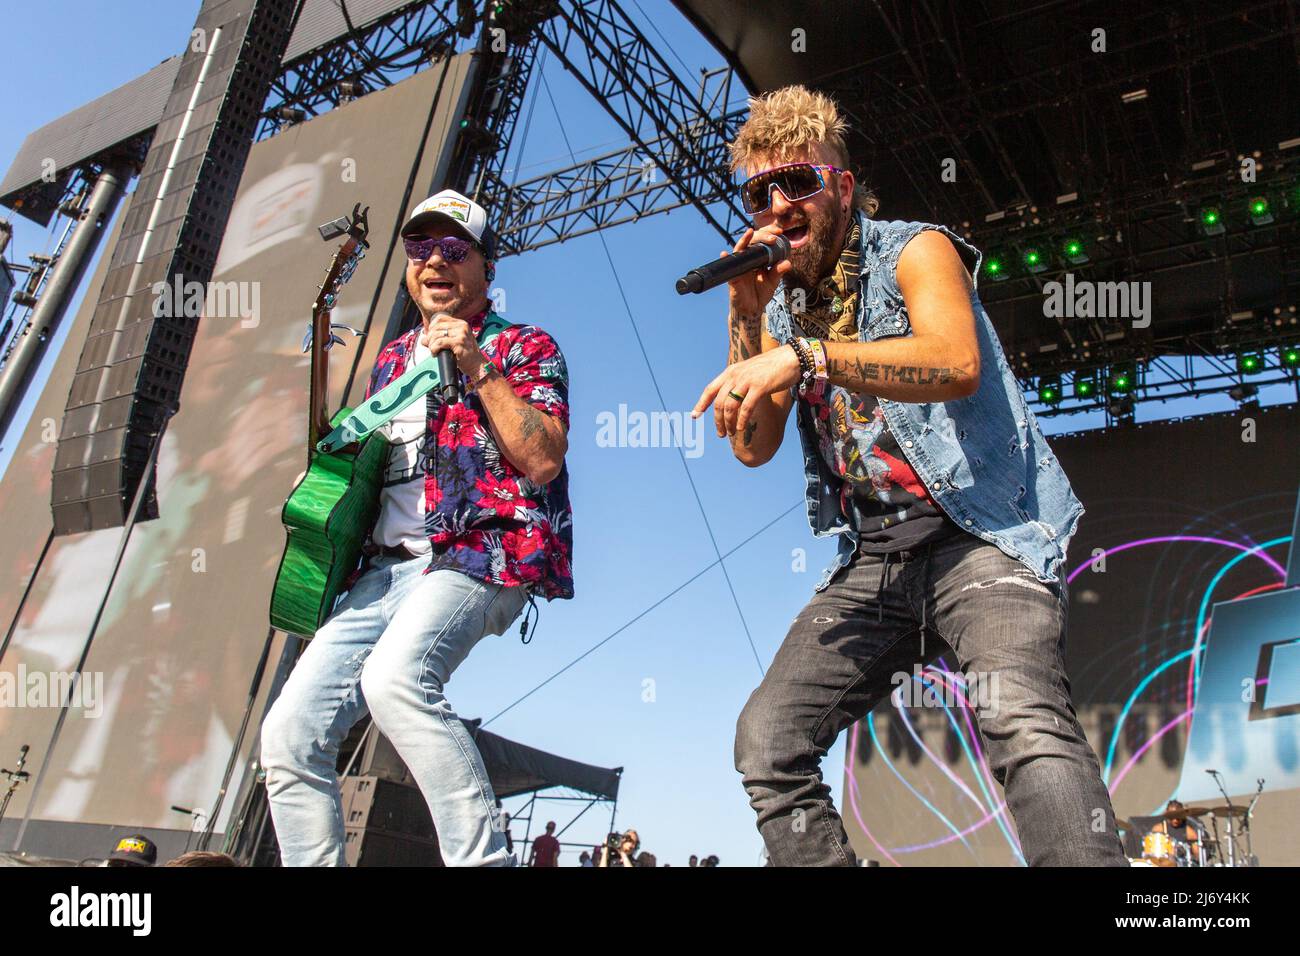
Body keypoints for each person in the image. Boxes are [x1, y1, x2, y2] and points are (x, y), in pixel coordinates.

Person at [693, 86, 1127, 867]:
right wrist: (747, 314)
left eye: (800, 182)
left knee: (1023, 722)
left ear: (844, 188)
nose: (780, 203)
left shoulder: (911, 249)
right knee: (767, 741)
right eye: (763, 191)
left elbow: (955, 362)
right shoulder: (782, 310)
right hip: (874, 559)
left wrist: (810, 354)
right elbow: (750, 447)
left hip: (976, 537)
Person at [261, 189, 574, 866]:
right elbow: (377, 468)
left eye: (455, 250)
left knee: (395, 681)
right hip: (381, 572)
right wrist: (328, 480)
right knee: (288, 734)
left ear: (486, 269)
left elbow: (543, 458)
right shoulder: (393, 360)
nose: (435, 260)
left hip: (478, 553)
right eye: (421, 248)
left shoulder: (524, 344)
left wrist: (476, 363)